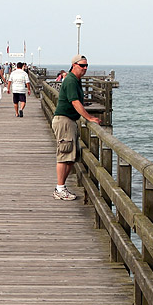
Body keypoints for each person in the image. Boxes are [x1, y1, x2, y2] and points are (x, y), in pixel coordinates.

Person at [52, 55, 101, 200]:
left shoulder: (76, 80)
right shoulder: (71, 80)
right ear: (74, 65)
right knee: (64, 155)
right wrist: (89, 117)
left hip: (69, 121)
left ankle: (61, 187)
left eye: (87, 66)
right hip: (64, 120)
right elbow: (75, 102)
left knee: (71, 157)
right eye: (82, 65)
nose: (85, 68)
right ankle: (60, 188)